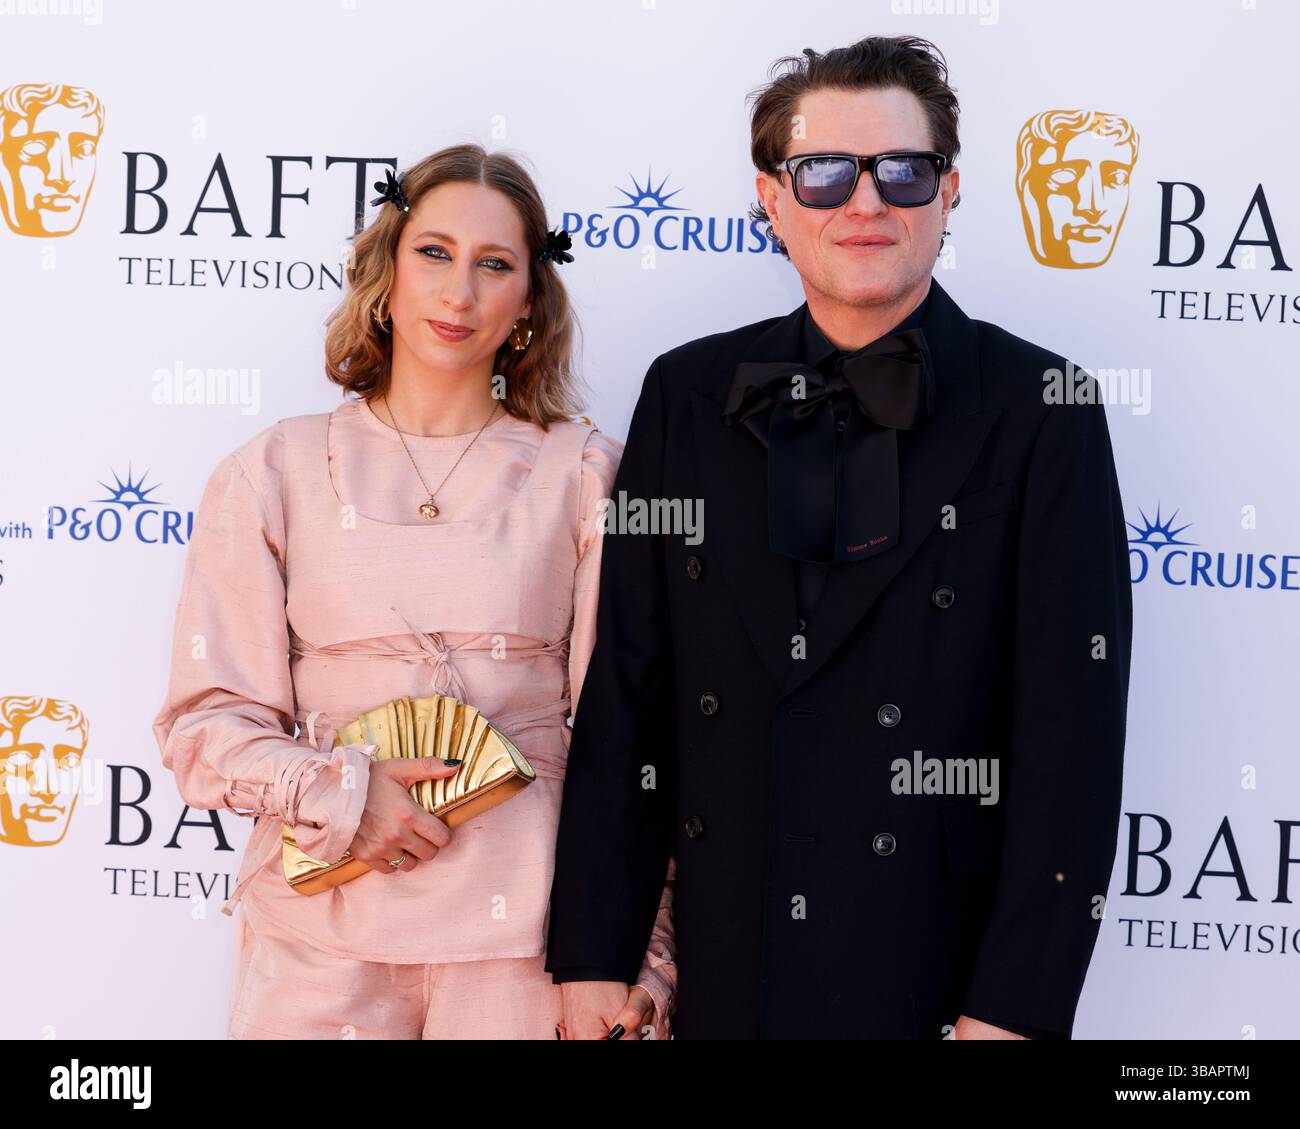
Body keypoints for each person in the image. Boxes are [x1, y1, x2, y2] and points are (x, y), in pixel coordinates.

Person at [546, 36, 1131, 1039]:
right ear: (772, 200)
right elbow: (627, 695)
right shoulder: (686, 393)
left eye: (902, 172)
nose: (866, 203)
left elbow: (1069, 739)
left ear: (949, 192)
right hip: (717, 966)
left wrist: (1015, 1008)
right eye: (823, 174)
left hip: (933, 975)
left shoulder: (1044, 405)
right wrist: (596, 951)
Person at [153, 144, 675, 1040]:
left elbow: (637, 740)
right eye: (433, 252)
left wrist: (647, 952)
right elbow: (205, 725)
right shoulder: (270, 471)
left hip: (530, 940)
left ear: (527, 303)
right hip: (319, 934)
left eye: (495, 264)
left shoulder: (586, 475)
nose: (458, 292)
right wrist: (344, 796)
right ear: (386, 272)